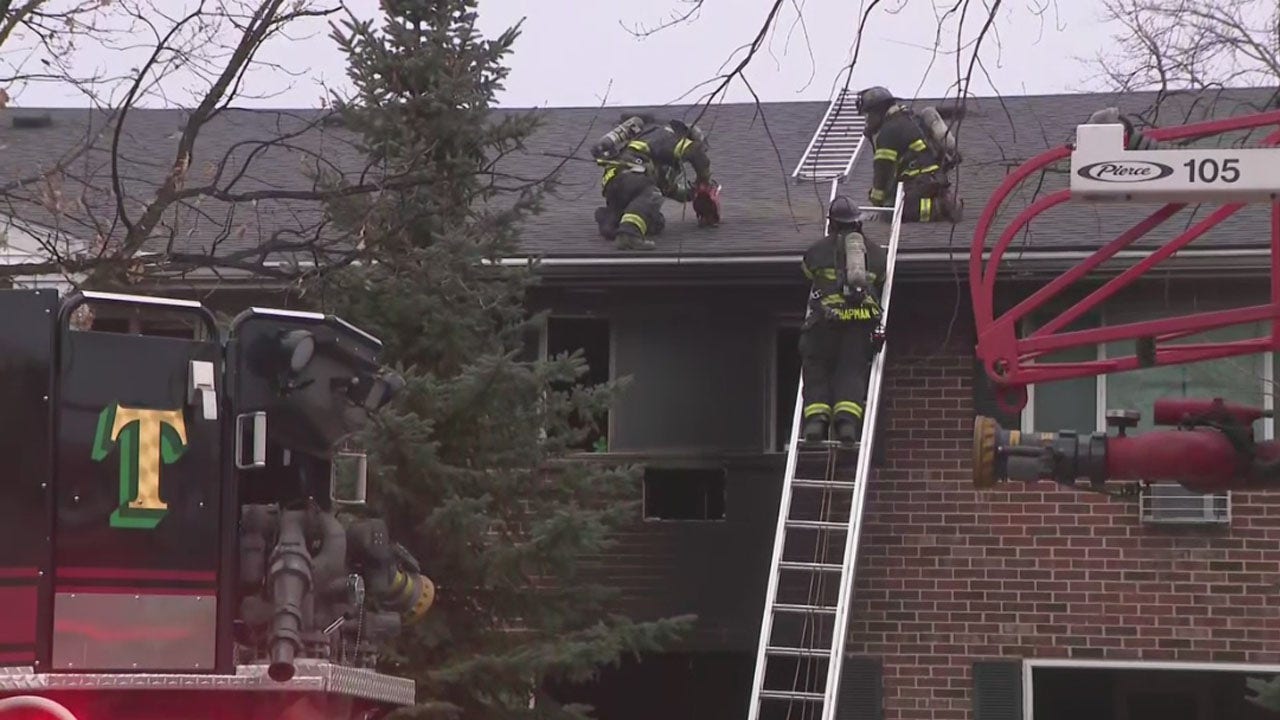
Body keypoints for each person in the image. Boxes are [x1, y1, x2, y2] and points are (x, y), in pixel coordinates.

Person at [799, 195, 887, 445]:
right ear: (858, 223)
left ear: (833, 223)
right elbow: (880, 280)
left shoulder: (818, 250)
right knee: (851, 371)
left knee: (816, 369)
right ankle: (847, 425)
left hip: (824, 322)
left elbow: (806, 272)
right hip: (859, 324)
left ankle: (816, 423)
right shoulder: (877, 254)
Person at [590, 114, 718, 250]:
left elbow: (670, 189)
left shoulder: (663, 161)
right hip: (632, 173)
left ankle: (610, 219)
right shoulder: (668, 136)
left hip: (616, 186)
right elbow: (695, 153)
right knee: (653, 195)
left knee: (656, 222)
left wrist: (695, 192)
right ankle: (628, 235)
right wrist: (704, 180)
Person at [854, 86, 962, 223]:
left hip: (919, 191)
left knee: (888, 213)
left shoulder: (889, 132)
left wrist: (877, 202)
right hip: (934, 184)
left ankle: (938, 208)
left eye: (868, 114)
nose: (867, 120)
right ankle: (943, 205)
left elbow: (882, 172)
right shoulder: (909, 120)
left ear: (878, 111)